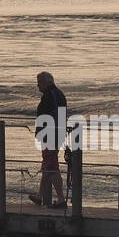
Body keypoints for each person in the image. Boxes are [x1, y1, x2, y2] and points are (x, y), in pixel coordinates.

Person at [30, 71, 68, 208]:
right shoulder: (59, 94)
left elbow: (45, 116)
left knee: (51, 165)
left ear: (48, 82)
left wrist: (39, 131)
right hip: (57, 133)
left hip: (50, 134)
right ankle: (40, 196)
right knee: (48, 164)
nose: (38, 85)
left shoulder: (49, 96)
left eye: (40, 82)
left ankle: (61, 199)